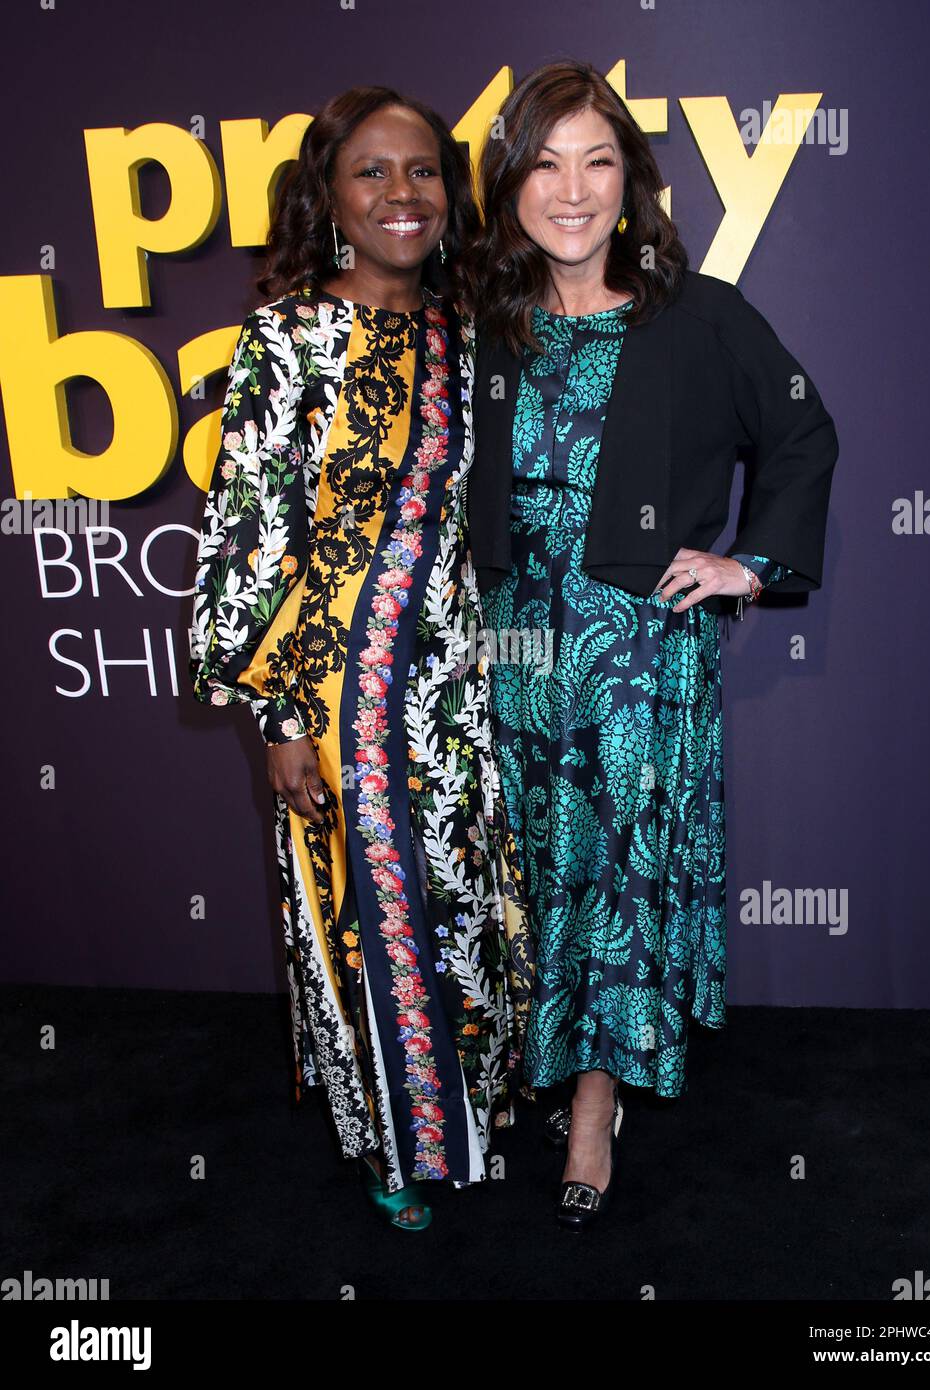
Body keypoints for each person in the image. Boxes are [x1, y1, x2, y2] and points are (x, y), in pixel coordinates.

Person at [466, 60, 838, 1229]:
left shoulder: (696, 315)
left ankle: (590, 1109)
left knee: (612, 876)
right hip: (511, 647)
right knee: (526, 869)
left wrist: (748, 565)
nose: (570, 190)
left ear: (630, 181)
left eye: (597, 161)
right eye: (544, 163)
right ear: (511, 184)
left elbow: (800, 434)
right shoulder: (483, 323)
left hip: (636, 658)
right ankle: (530, 1062)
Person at [189, 87, 533, 1231]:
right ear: (329, 198)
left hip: (447, 687)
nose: (402, 194)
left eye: (423, 171)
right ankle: (390, 1140)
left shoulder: (461, 327)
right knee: (362, 912)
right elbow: (251, 534)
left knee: (456, 902)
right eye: (372, 173)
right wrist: (277, 716)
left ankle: (465, 1123)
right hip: (332, 694)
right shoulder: (285, 337)